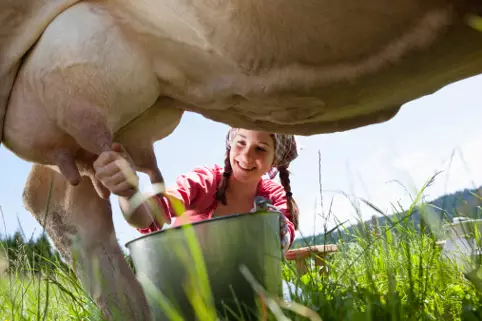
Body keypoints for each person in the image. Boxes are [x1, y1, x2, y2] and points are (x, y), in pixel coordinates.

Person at [93, 128, 300, 251]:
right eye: (241, 143)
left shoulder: (274, 196)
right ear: (230, 144)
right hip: (183, 282)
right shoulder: (204, 182)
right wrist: (129, 193)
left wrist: (273, 226)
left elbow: (284, 238)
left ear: (275, 159)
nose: (246, 156)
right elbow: (147, 216)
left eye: (260, 148)